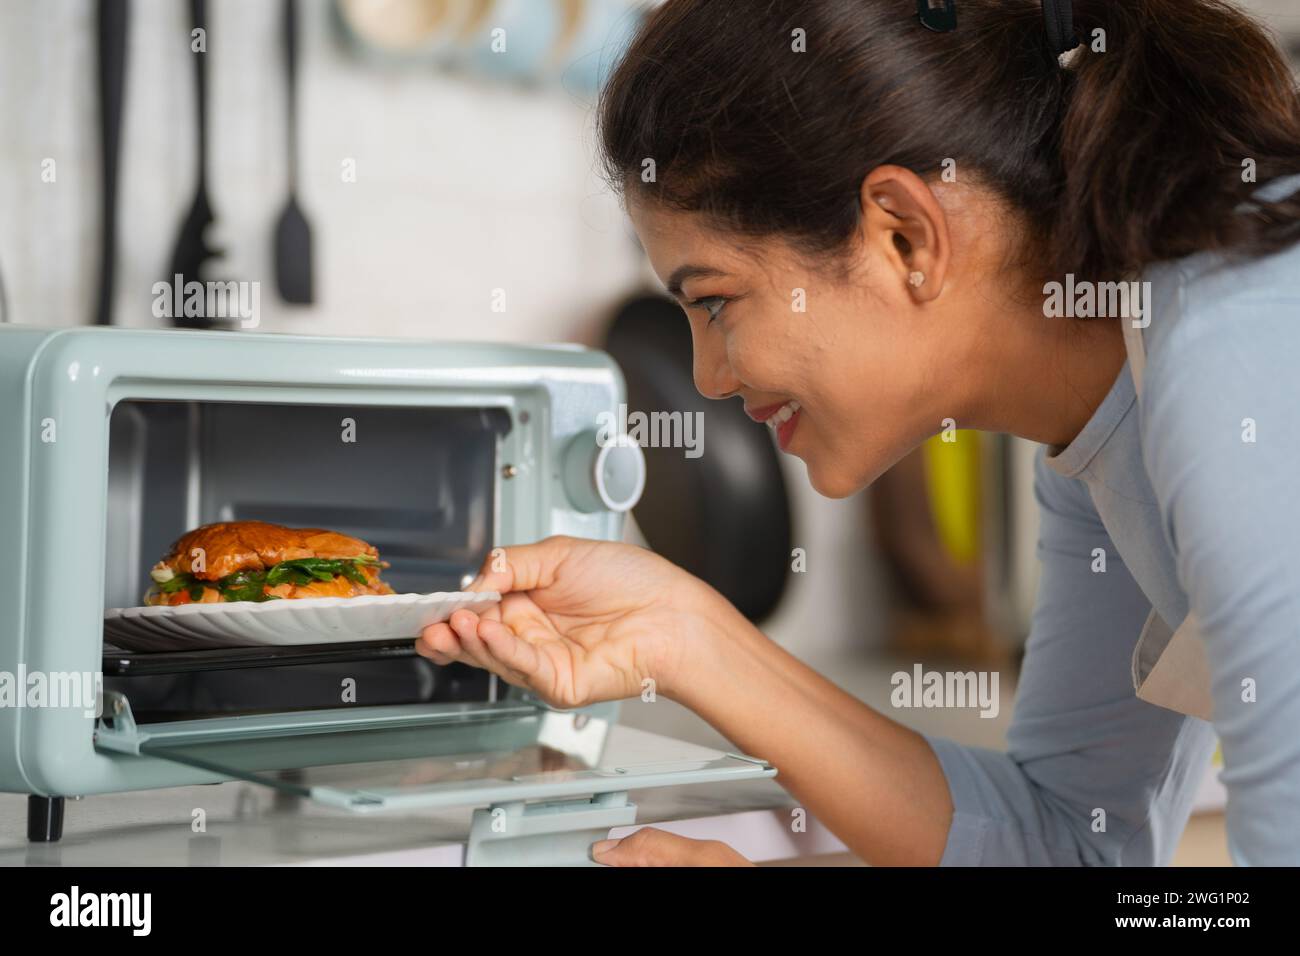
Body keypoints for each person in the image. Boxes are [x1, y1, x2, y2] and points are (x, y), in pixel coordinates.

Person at [419, 0, 1300, 866]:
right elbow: (1070, 842)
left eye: (716, 301)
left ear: (905, 237)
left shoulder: (1235, 352)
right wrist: (684, 636)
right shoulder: (1096, 448)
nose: (708, 379)